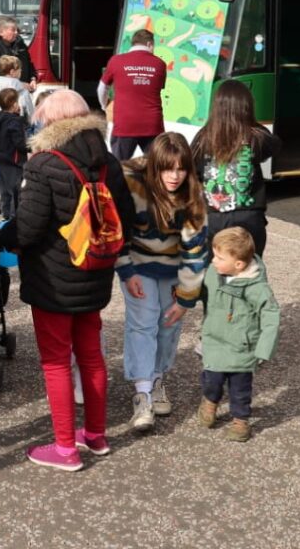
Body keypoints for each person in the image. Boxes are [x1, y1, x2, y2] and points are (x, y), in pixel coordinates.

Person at [13, 89, 138, 472]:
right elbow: (128, 221)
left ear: (51, 122)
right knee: (91, 355)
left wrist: (1, 236)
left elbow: (28, 230)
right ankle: (96, 436)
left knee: (55, 362)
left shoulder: (45, 163)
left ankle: (65, 448)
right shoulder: (108, 163)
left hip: (53, 279)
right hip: (95, 273)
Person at [118, 132, 208, 432]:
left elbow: (195, 248)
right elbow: (115, 229)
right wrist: (126, 272)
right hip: (138, 263)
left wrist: (186, 297)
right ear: (154, 167)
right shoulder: (131, 181)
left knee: (169, 325)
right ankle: (142, 394)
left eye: (181, 169)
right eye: (168, 169)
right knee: (143, 322)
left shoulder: (192, 193)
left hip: (173, 267)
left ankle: (157, 378)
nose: (174, 176)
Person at [197, 227, 279, 442]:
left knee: (240, 389)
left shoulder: (257, 288)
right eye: (214, 255)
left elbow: (271, 317)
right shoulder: (214, 273)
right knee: (211, 380)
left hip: (242, 347)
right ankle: (210, 402)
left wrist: (263, 349)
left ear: (239, 264)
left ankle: (241, 420)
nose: (214, 261)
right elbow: (200, 289)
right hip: (215, 340)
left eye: (219, 257)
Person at [191, 80, 281, 255]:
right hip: (249, 215)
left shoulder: (203, 137)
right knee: (249, 272)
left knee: (215, 270)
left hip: (214, 215)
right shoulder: (256, 136)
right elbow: (276, 146)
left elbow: (193, 169)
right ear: (247, 107)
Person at [99, 28, 167, 160]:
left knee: (120, 167)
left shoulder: (116, 61)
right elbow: (158, 88)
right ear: (149, 45)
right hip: (152, 125)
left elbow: (102, 89)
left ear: (133, 43)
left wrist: (104, 105)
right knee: (156, 166)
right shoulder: (160, 64)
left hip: (124, 124)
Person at [0, 87, 30, 217]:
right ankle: (13, 216)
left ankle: (6, 214)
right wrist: (31, 146)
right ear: (14, 104)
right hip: (13, 160)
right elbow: (19, 143)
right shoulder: (14, 122)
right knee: (15, 189)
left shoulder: (1, 118)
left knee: (5, 189)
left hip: (1, 158)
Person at [0, 55, 33, 123]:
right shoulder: (23, 91)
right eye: (20, 70)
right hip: (17, 122)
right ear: (12, 72)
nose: (21, 71)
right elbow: (29, 112)